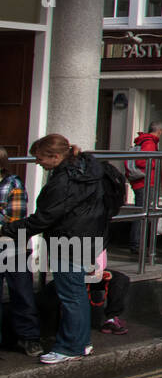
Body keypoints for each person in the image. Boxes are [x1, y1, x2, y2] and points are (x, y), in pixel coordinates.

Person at [0, 135, 108, 365]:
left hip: (68, 240)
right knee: (76, 294)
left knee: (70, 296)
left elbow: (43, 218)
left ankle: (70, 347)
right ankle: (81, 342)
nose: (38, 163)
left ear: (55, 156)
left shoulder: (65, 181)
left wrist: (8, 230)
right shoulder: (85, 169)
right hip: (84, 237)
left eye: (40, 158)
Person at [0, 148, 43, 357]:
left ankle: (30, 338)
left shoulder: (13, 183)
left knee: (22, 293)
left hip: (12, 246)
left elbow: (14, 219)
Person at [125, 121, 162, 253]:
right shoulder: (149, 142)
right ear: (159, 131)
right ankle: (137, 245)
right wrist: (155, 163)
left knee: (141, 212)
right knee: (143, 213)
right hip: (145, 182)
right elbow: (142, 161)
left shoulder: (143, 141)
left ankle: (137, 244)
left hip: (141, 181)